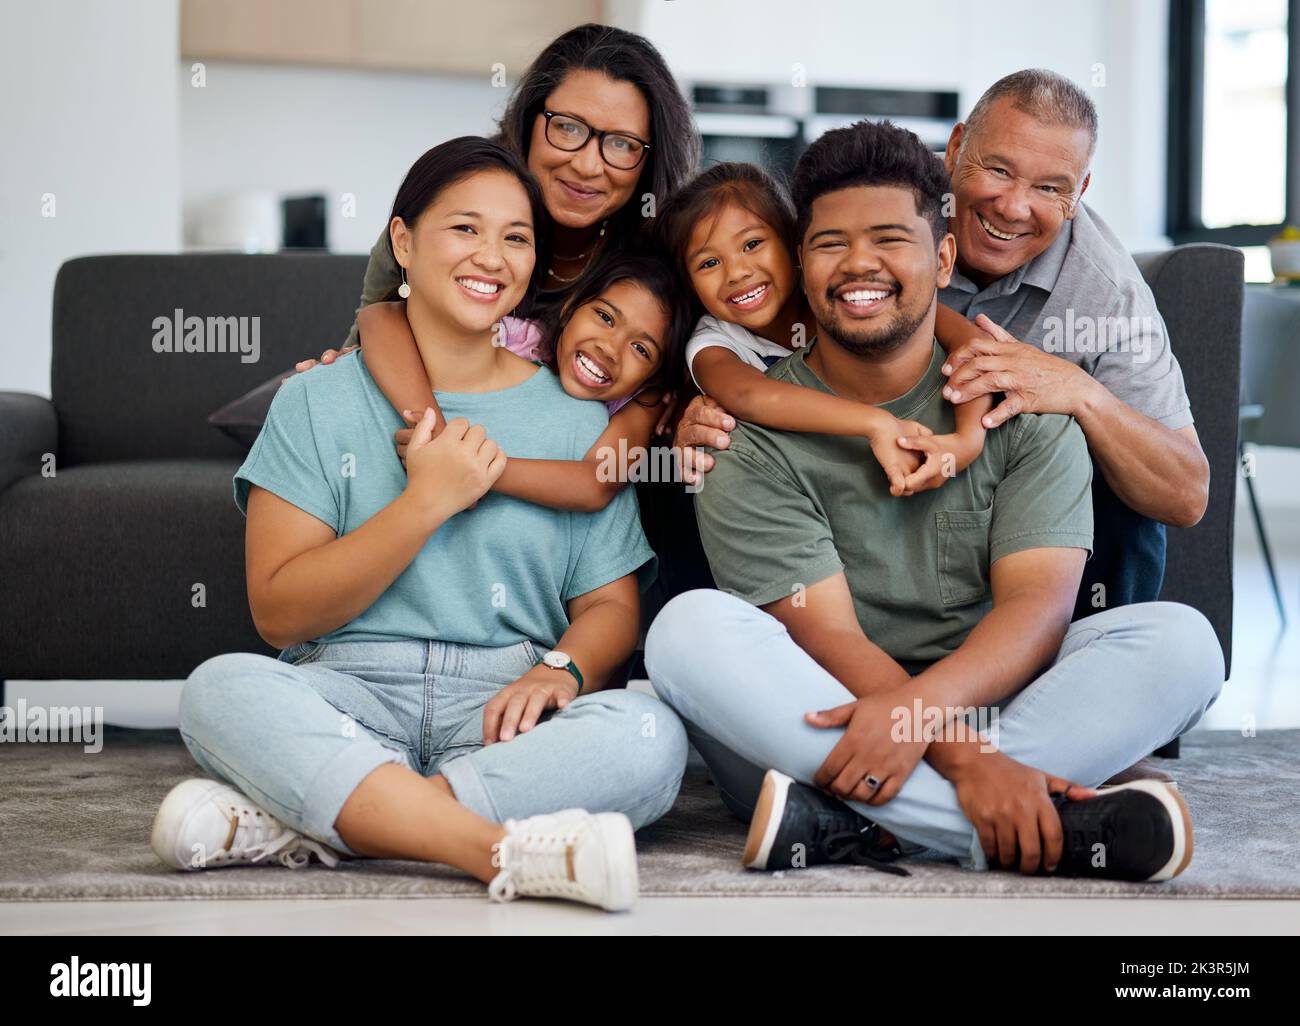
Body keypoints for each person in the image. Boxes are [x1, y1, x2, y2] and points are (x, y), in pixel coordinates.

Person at [645, 119, 1222, 882]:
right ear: (802, 263)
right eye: (830, 244)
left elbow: (1038, 613)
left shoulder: (1020, 405)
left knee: (1182, 641)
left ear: (942, 257)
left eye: (889, 239)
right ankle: (1032, 822)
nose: (859, 265)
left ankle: (858, 826)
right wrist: (968, 760)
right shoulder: (740, 434)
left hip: (998, 714)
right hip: (821, 720)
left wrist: (943, 729)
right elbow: (831, 644)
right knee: (687, 630)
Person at [150, 137, 687, 912]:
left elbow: (608, 609)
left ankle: (321, 822)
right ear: (403, 242)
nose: (491, 257)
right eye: (465, 229)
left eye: (516, 238)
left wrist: (559, 672)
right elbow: (278, 611)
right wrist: (427, 500)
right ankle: (489, 848)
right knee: (218, 689)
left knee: (651, 734)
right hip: (346, 693)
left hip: (507, 708)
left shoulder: (576, 424)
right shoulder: (316, 400)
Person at [674, 70, 1209, 625]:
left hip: (1013, 520)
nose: (1014, 206)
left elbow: (1185, 496)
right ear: (955, 149)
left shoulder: (1106, 292)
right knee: (714, 469)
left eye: (1050, 188)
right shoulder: (889, 204)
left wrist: (1081, 395)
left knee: (1113, 476)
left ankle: (1085, 665)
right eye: (998, 170)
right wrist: (705, 404)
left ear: (1080, 193)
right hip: (855, 490)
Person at [655, 161, 995, 496]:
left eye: (752, 244)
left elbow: (973, 346)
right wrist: (875, 424)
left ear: (795, 246)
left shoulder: (840, 295)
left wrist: (967, 440)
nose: (736, 272)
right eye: (709, 263)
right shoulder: (713, 341)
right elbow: (752, 396)